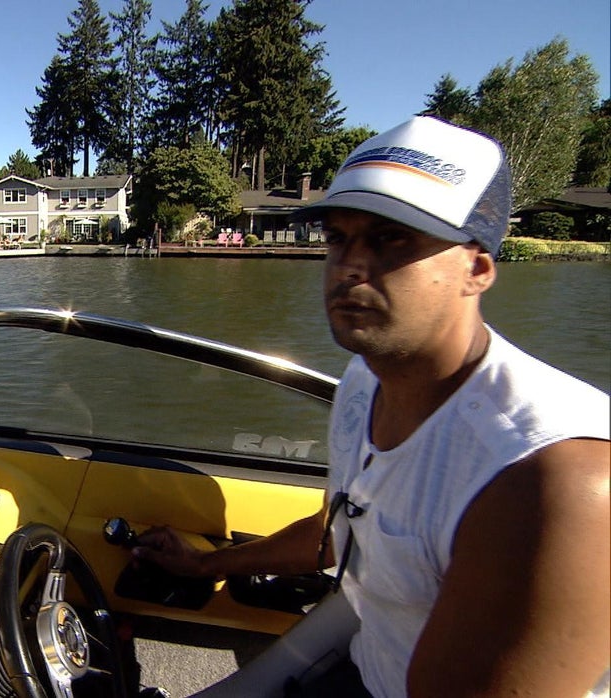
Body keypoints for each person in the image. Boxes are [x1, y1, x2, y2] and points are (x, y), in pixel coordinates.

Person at [132, 116, 610, 698]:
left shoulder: (554, 479)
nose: (350, 266)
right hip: (365, 660)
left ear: (477, 269)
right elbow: (343, 528)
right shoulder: (363, 381)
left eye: (391, 239)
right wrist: (210, 567)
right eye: (338, 237)